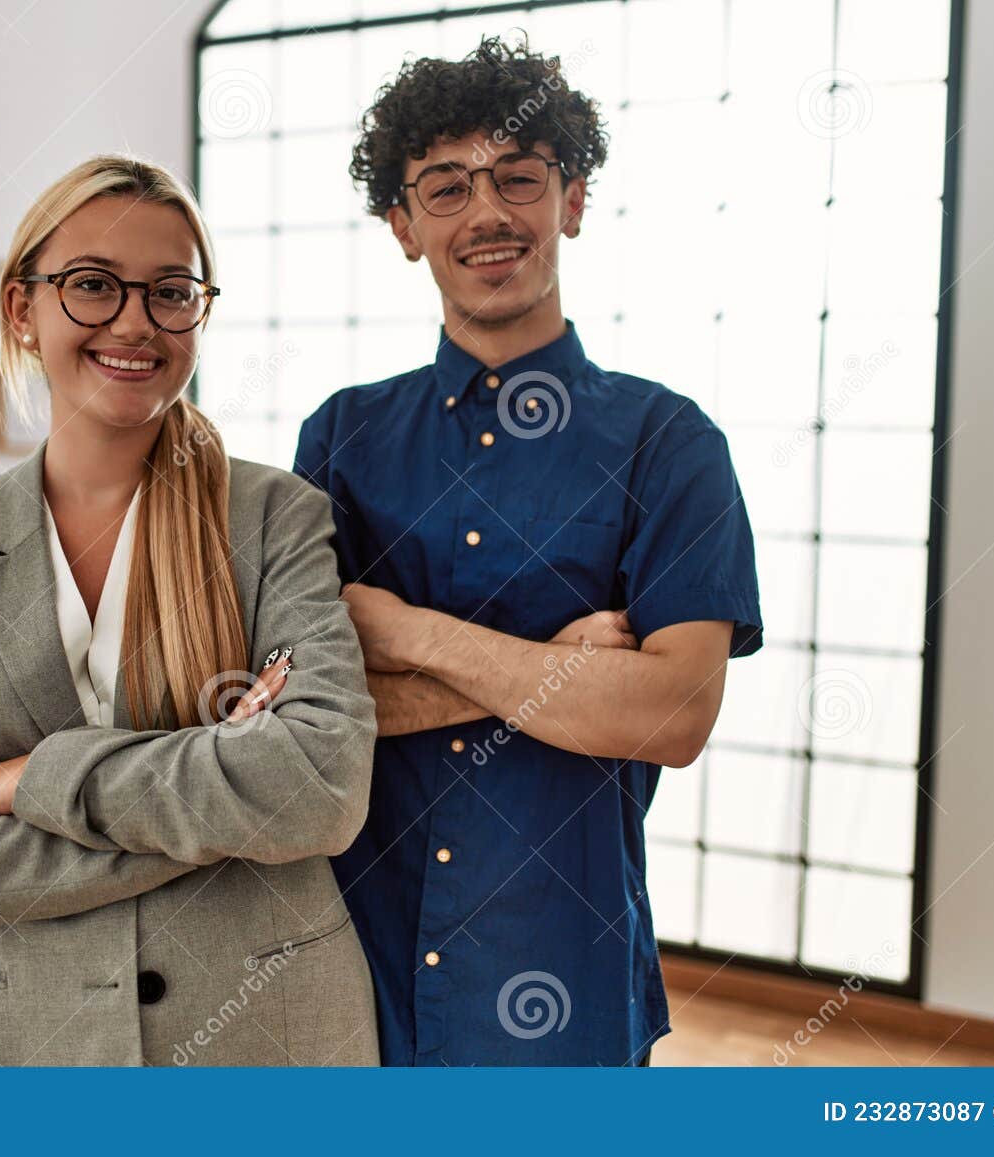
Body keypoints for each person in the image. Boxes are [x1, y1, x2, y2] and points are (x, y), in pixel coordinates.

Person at [0, 154, 379, 1067]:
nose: (135, 322)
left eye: (171, 291)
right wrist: (220, 812)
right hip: (16, 1043)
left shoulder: (276, 518)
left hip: (264, 1037)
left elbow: (317, 789)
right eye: (91, 286)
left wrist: (28, 777)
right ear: (20, 310)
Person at [294, 35, 765, 1066]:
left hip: (560, 969)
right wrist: (561, 672)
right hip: (354, 962)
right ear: (402, 224)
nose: (489, 212)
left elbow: (673, 713)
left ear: (573, 200)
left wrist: (405, 631)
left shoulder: (668, 443)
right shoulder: (340, 439)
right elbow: (302, 714)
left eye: (519, 176)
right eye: (446, 187)